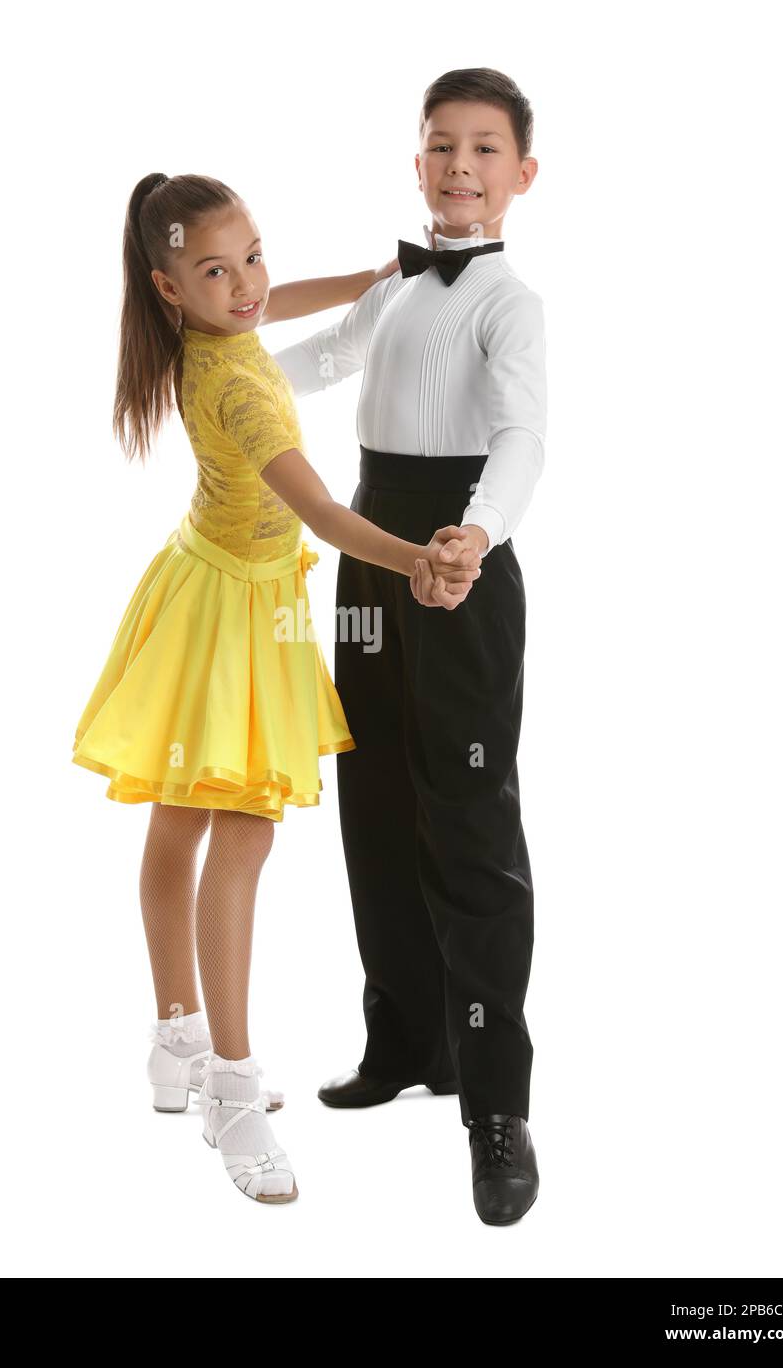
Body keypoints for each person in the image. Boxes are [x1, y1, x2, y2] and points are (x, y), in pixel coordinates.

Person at [71, 172, 481, 1205]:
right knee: (239, 832)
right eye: (217, 271)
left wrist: (361, 279)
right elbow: (326, 516)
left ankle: (177, 1039)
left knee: (179, 819)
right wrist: (414, 561)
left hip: (210, 582)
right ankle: (230, 1088)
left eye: (252, 254)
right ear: (171, 288)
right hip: (235, 614)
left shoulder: (203, 327)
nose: (248, 283)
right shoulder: (239, 391)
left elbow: (268, 305)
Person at [271, 67, 547, 1225]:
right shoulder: (393, 289)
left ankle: (496, 1106)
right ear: (417, 159)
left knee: (469, 831)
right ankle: (406, 1044)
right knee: (372, 800)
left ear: (521, 175)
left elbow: (526, 433)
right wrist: (213, 385)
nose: (461, 167)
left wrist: (474, 534)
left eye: (485, 149)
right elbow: (315, 364)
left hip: (457, 564)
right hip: (368, 558)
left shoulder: (508, 302)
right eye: (442, 146)